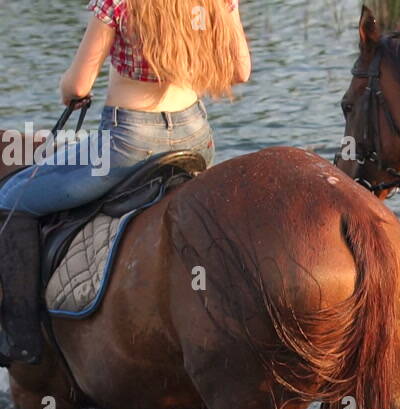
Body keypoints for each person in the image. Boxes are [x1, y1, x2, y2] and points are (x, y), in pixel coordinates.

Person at [0, 0, 252, 365]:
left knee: (12, 198)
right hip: (196, 138)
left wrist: (68, 88)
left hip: (129, 143)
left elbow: (77, 85)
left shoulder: (118, 3)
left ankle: (21, 341)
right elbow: (240, 71)